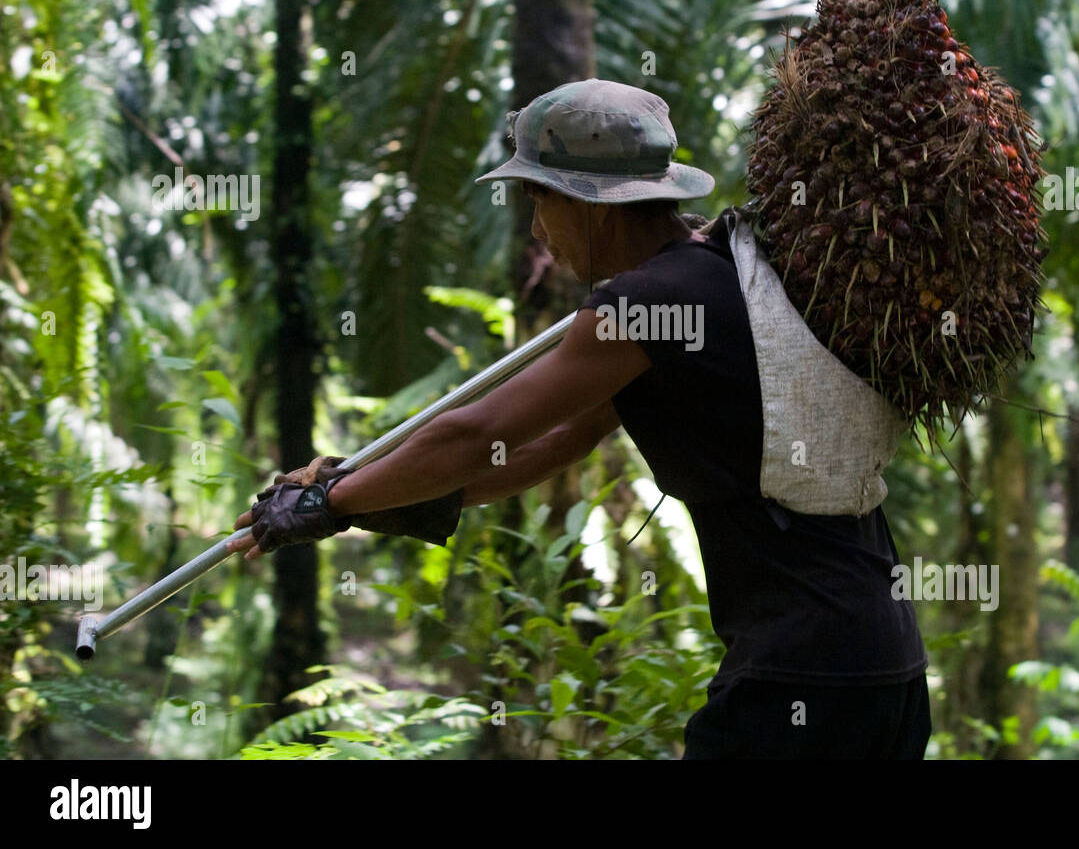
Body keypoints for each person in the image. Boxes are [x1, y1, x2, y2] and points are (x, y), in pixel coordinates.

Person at [229, 78, 930, 759]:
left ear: (594, 205)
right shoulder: (718, 274)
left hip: (801, 675)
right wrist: (381, 499)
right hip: (880, 664)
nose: (537, 229)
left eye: (540, 200)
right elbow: (558, 439)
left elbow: (478, 434)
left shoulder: (642, 304)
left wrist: (326, 500)